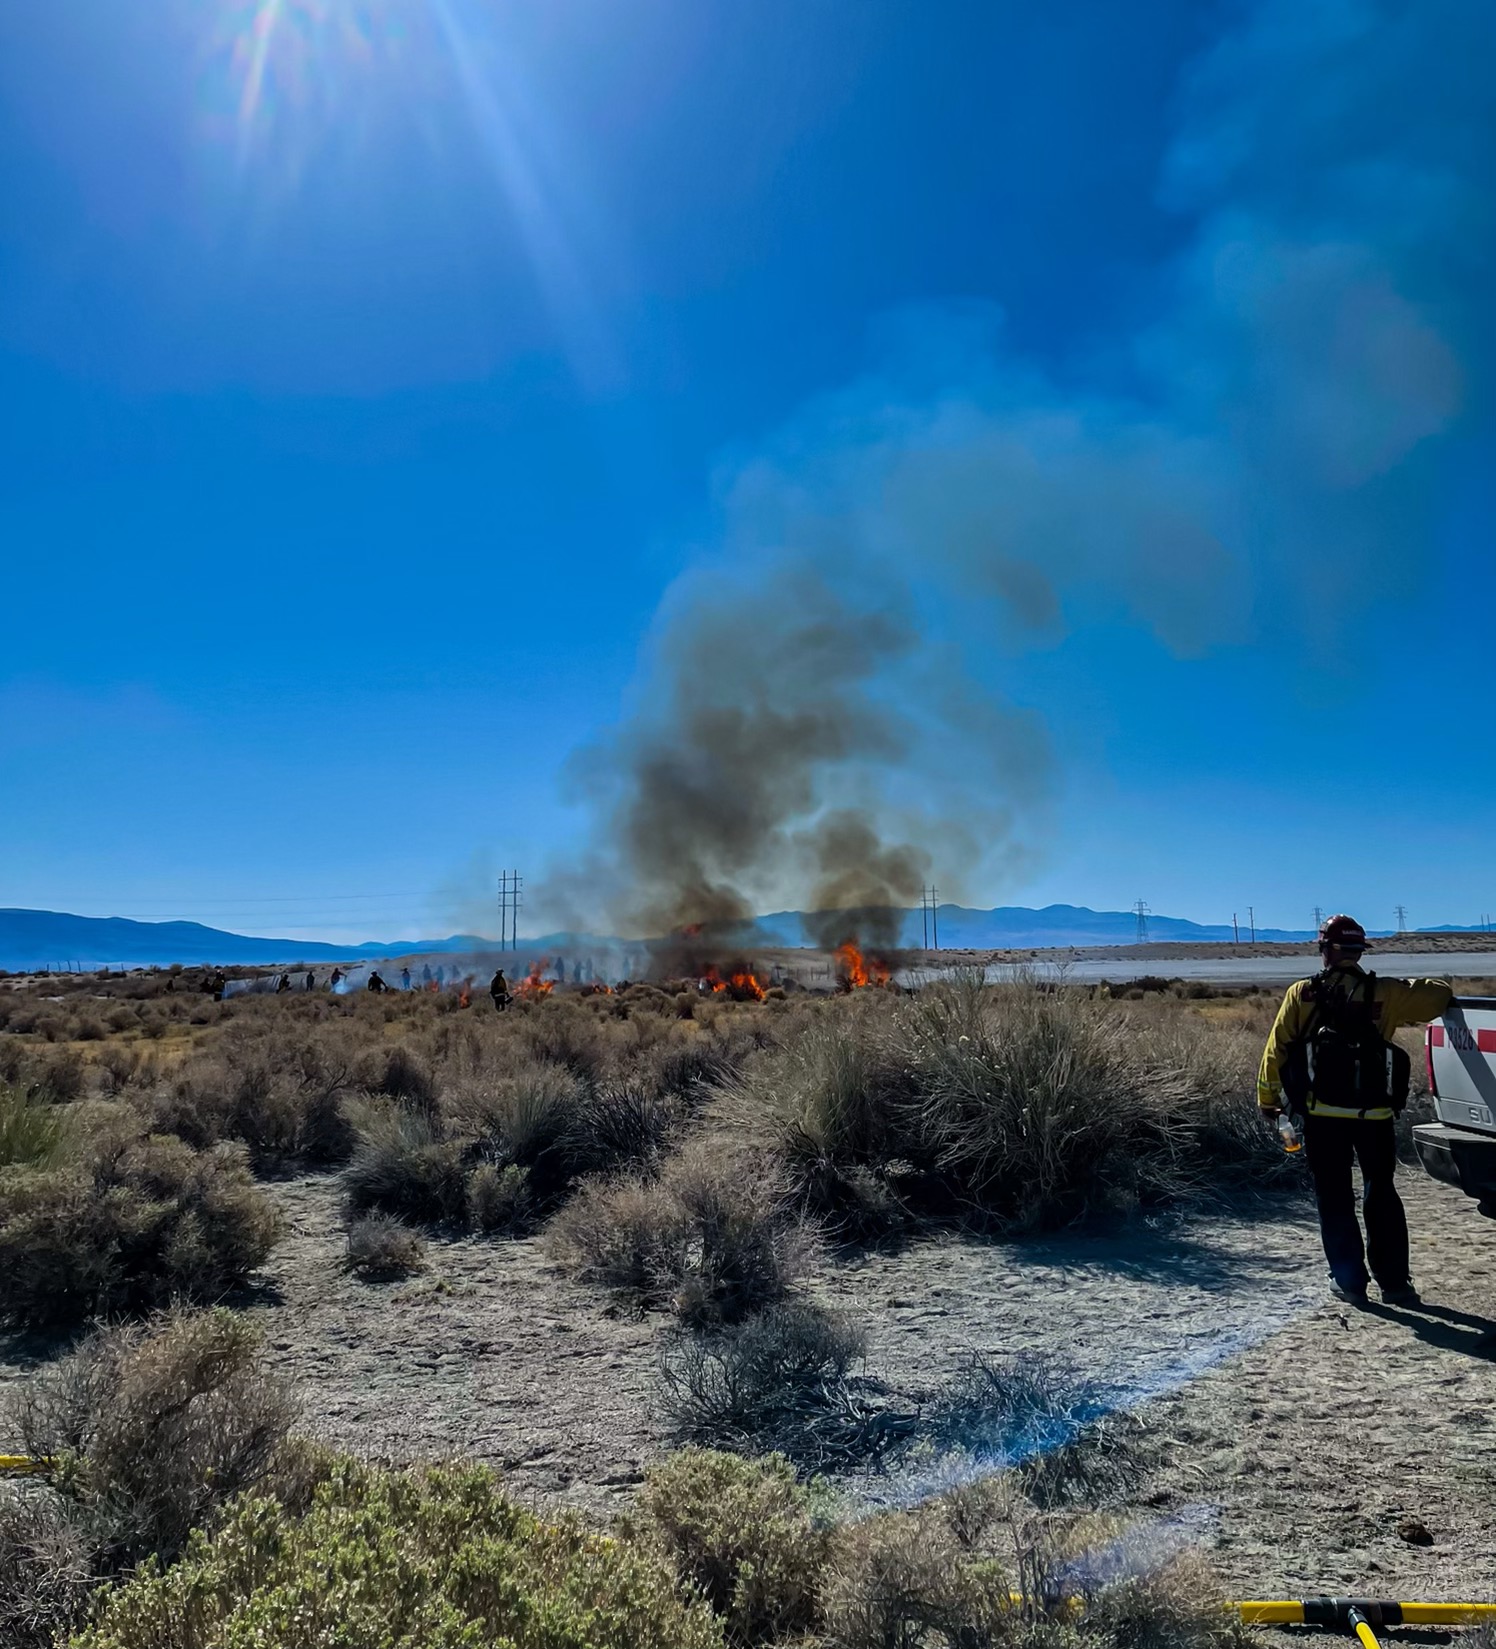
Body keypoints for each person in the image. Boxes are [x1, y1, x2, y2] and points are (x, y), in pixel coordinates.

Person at [1258, 914, 1452, 1307]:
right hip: (1374, 1116)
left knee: (1333, 1197)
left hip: (1322, 1116)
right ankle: (1395, 1283)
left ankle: (1349, 1281)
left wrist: (1269, 1101)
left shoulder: (1301, 994)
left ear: (1325, 950)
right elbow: (1440, 995)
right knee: (1380, 1192)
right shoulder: (1386, 992)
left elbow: (1277, 1049)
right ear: (1360, 951)